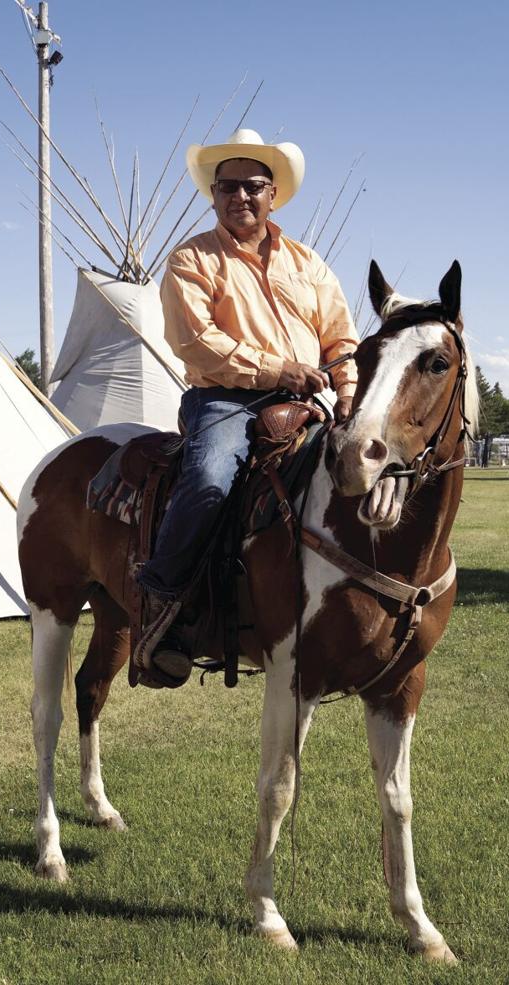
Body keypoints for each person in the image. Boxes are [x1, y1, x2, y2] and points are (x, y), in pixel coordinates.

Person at [133, 129, 360, 688]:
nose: (241, 197)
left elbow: (342, 340)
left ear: (273, 193)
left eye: (253, 186)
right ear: (213, 195)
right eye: (228, 187)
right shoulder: (192, 259)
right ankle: (162, 607)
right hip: (225, 400)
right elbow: (194, 340)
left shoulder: (309, 264)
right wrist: (278, 369)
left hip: (311, 402)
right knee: (210, 476)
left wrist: (350, 399)